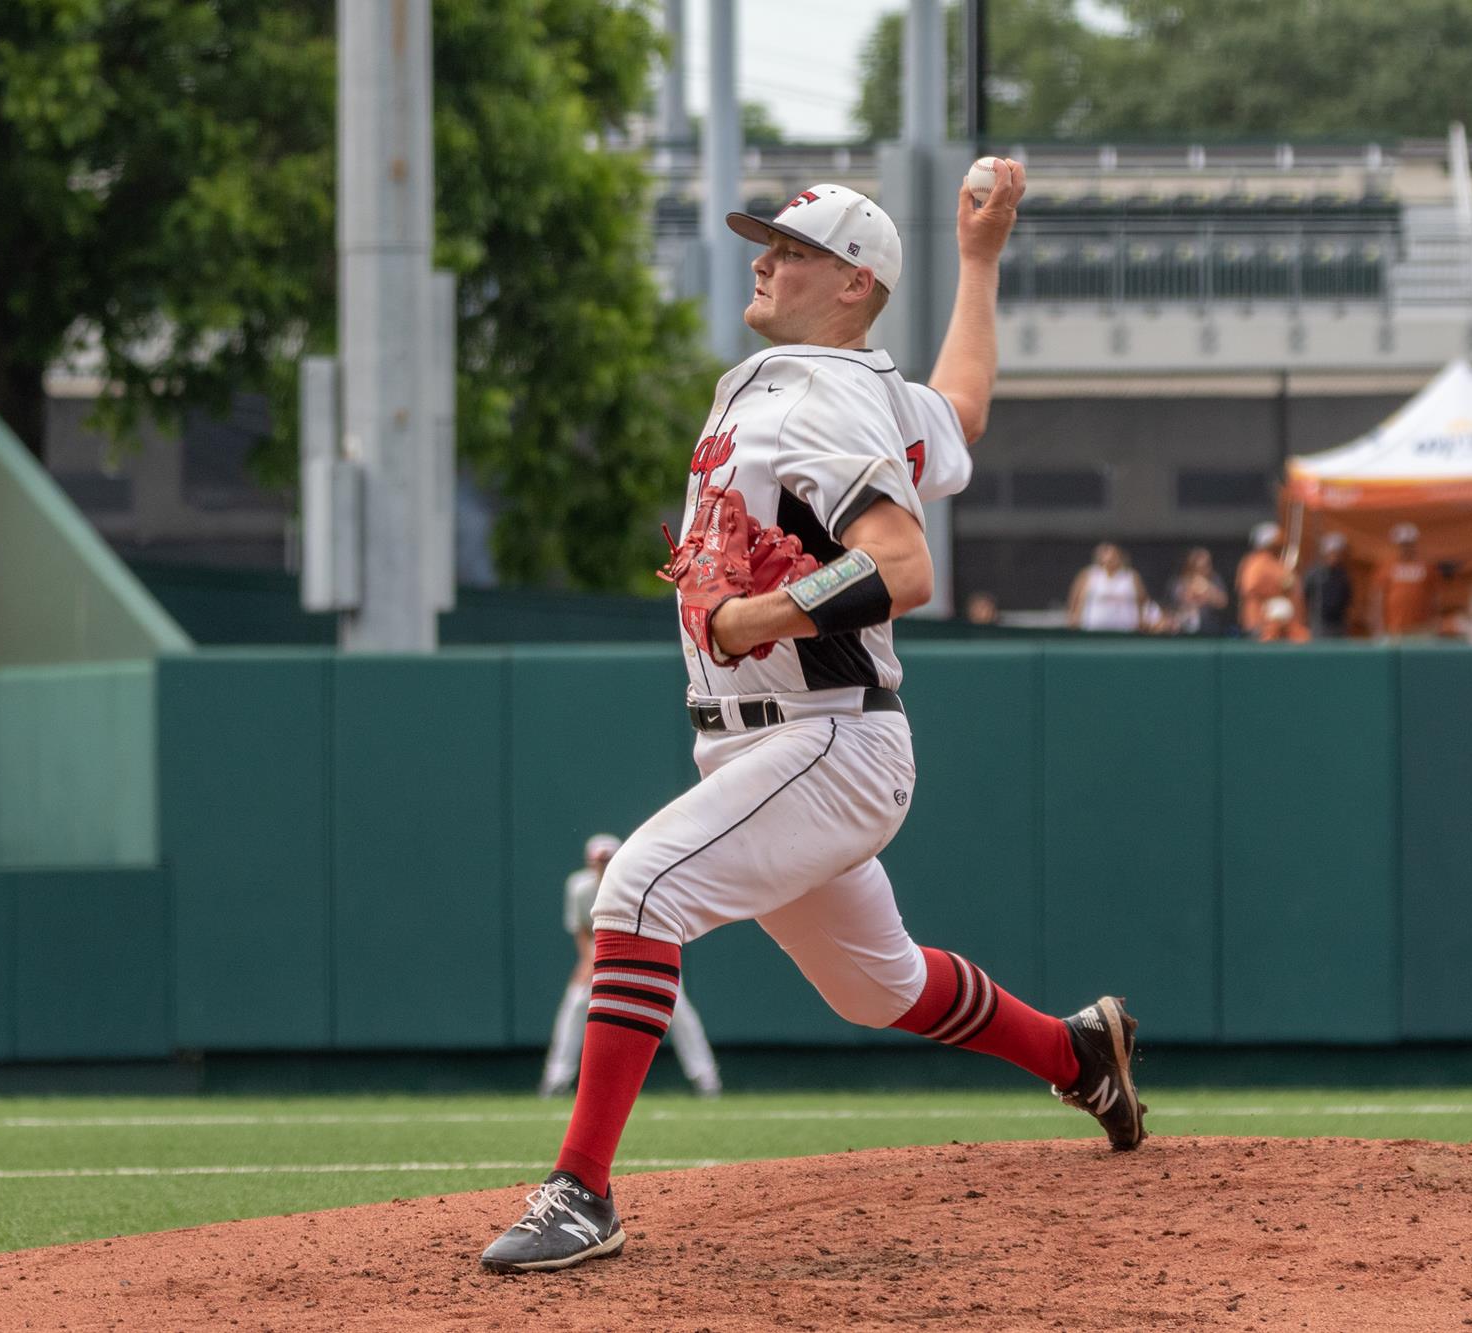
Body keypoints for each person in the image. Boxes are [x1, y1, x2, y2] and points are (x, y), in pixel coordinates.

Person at [481, 163, 1146, 1275]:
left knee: (636, 889)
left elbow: (901, 563)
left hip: (826, 737)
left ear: (851, 283)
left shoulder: (817, 393)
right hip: (773, 739)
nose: (762, 258)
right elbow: (965, 408)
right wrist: (978, 263)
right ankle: (1078, 1052)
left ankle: (580, 1189)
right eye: (765, 243)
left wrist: (758, 615)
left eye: (787, 251)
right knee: (875, 983)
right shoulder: (861, 389)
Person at [538, 833, 720, 1100]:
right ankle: (556, 1079)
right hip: (605, 957)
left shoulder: (639, 886)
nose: (603, 866)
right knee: (576, 1002)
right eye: (599, 861)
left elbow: (655, 930)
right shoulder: (580, 889)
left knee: (678, 1008)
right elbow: (583, 932)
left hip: (646, 953)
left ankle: (705, 1078)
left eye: (609, 860)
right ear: (590, 863)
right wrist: (588, 962)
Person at [1373, 521, 1437, 638]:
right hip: (1394, 629)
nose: (1405, 548)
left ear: (1414, 544)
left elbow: (1434, 597)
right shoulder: (1387, 566)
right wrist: (1378, 627)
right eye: (1403, 544)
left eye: (1409, 544)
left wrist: (1432, 623)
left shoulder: (1426, 566)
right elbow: (1378, 598)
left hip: (1421, 629)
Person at [1065, 542, 1146, 631]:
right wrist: (1073, 616)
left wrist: (1142, 619)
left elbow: (1142, 600)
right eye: (1107, 554)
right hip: (1093, 628)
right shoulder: (1089, 574)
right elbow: (1076, 598)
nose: (1110, 558)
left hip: (1125, 629)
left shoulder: (1131, 576)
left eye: (1114, 555)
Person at [1234, 523, 1292, 636]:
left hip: (1279, 623)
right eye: (1277, 543)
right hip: (1260, 622)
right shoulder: (1256, 562)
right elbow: (1249, 586)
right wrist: (1278, 587)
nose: (1281, 546)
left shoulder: (1276, 562)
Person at [1168, 547, 1229, 636]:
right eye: (1199, 567)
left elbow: (1223, 602)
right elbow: (1176, 602)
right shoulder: (1180, 581)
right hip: (1184, 627)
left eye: (1206, 566)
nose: (1204, 570)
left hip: (1209, 627)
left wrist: (1208, 590)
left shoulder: (1215, 579)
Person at [1302, 532, 1353, 638]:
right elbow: (1304, 595)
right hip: (1319, 624)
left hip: (1338, 624)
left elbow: (1347, 598)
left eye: (1338, 553)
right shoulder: (1315, 574)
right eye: (1332, 552)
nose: (1335, 556)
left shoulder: (1343, 575)